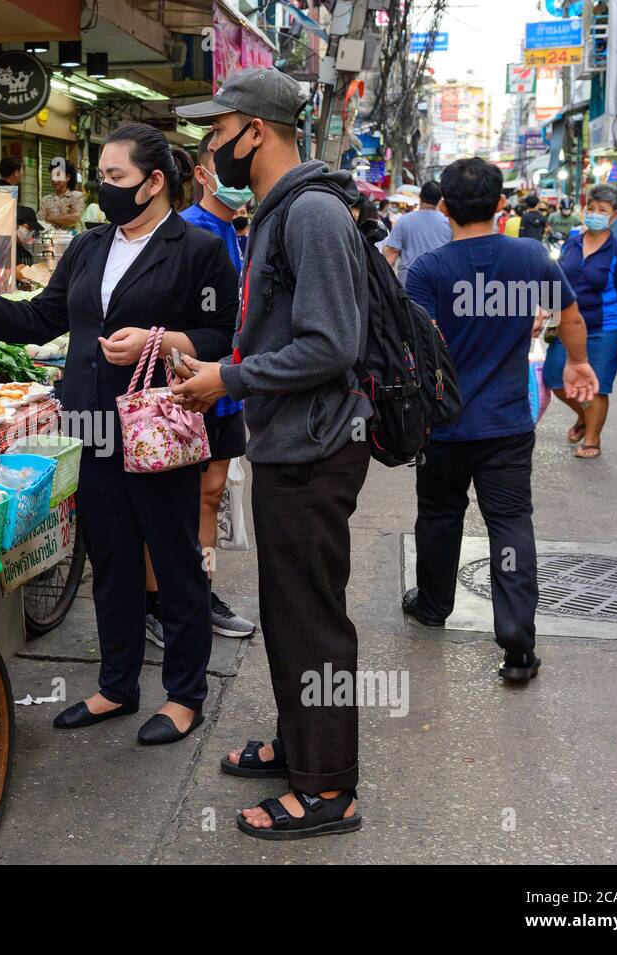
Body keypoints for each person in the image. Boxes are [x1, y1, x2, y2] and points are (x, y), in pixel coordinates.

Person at [0, 123, 237, 746]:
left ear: (155, 183)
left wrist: (159, 339)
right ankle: (117, 685)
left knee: (175, 562)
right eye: (102, 175)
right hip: (89, 425)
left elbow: (219, 341)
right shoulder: (88, 246)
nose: (103, 187)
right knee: (111, 562)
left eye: (116, 177)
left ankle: (185, 696)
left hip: (157, 429)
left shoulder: (199, 248)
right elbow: (43, 317)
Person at [173, 67, 371, 840]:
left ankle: (328, 791)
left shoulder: (312, 213)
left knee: (312, 620)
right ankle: (301, 745)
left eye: (218, 132)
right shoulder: (281, 210)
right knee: (289, 613)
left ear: (255, 131)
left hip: (316, 447)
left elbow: (332, 343)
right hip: (292, 440)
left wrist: (230, 376)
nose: (210, 147)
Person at [402, 157, 598, 684]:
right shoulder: (530, 255)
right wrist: (578, 362)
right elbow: (570, 316)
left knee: (439, 516)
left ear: (444, 208)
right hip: (508, 423)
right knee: (510, 525)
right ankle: (516, 642)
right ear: (501, 206)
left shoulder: (428, 270)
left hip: (442, 425)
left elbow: (416, 346)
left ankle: (433, 603)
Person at [144, 131, 255, 644]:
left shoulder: (238, 232)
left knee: (210, 496)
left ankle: (198, 590)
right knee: (170, 502)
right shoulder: (184, 230)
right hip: (183, 388)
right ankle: (156, 602)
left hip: (227, 385)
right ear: (205, 176)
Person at [543, 183, 617, 459]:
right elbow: (556, 283)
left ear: (614, 216)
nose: (594, 214)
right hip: (568, 326)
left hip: (604, 329)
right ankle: (584, 417)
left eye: (602, 210)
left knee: (596, 388)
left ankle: (593, 439)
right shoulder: (572, 243)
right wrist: (546, 313)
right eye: (591, 208)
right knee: (554, 377)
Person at [381, 180, 451, 287]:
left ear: (420, 196)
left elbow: (392, 252)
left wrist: (383, 282)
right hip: (439, 280)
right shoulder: (448, 223)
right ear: (439, 200)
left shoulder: (404, 221)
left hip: (409, 280)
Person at [39, 157, 85, 231]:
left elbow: (74, 219)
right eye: (52, 175)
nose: (54, 179)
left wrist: (51, 218)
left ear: (67, 177)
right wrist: (64, 219)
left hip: (73, 239)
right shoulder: (46, 199)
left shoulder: (77, 196)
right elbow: (41, 222)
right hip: (52, 240)